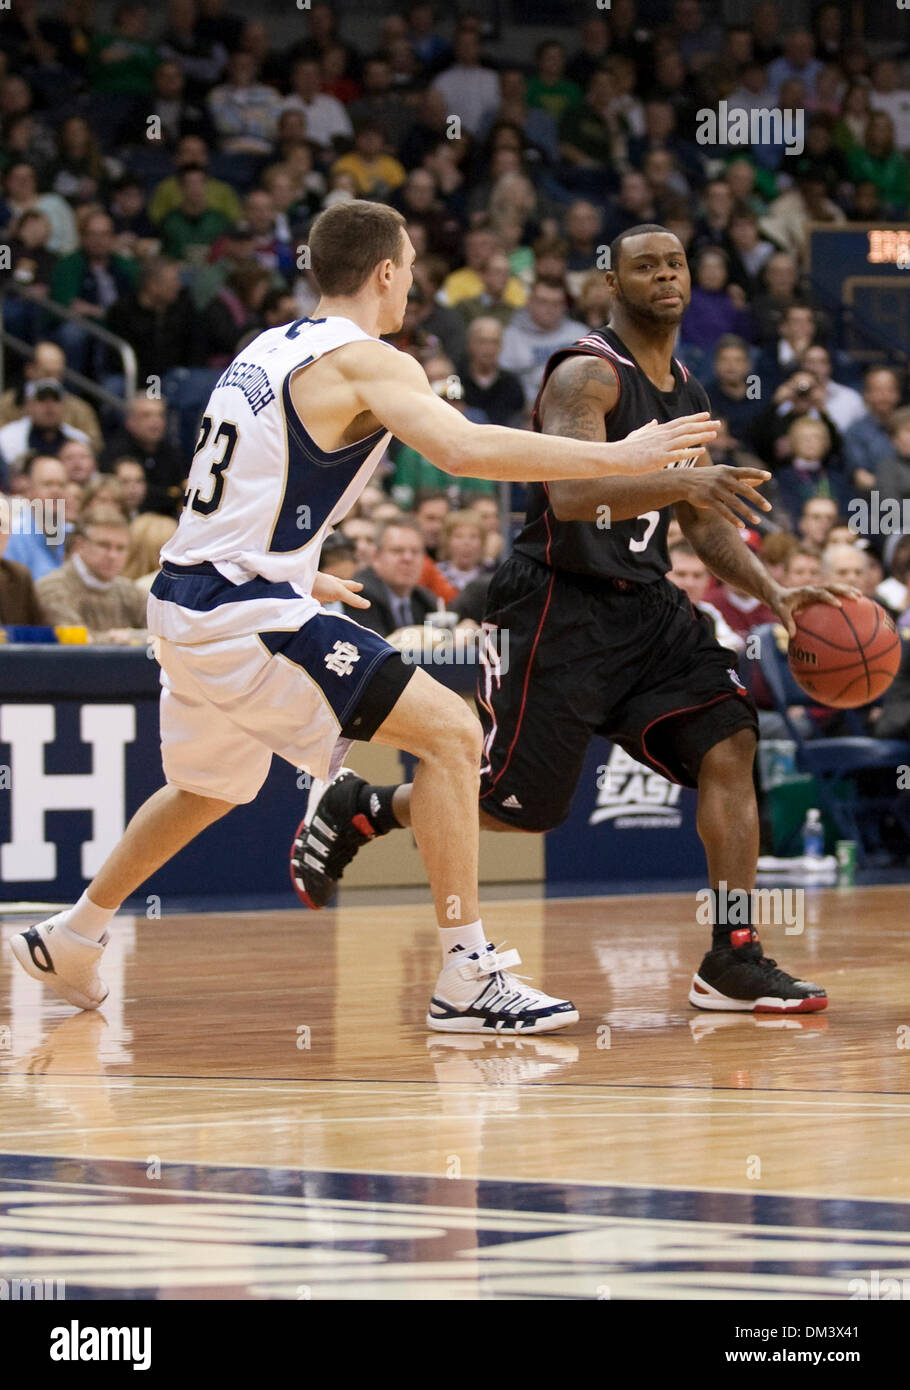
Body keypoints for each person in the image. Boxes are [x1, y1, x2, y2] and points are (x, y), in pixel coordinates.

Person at [8, 199, 719, 1033]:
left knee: (205, 788)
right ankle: (466, 973)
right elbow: (462, 450)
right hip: (242, 612)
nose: (414, 282)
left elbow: (246, 489)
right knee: (453, 733)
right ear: (386, 272)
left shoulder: (266, 347)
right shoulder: (367, 360)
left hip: (190, 600)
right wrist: (617, 455)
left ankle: (74, 933)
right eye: (412, 267)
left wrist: (300, 573)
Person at [295, 222, 859, 1016]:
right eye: (645, 267)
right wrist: (680, 484)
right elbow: (571, 496)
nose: (665, 276)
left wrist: (775, 593)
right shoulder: (586, 377)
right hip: (557, 605)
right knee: (517, 808)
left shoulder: (687, 391)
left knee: (732, 739)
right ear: (613, 286)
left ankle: (733, 955)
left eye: (675, 263)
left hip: (649, 609)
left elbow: (703, 524)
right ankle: (366, 805)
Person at [35, 503, 148, 642]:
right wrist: (130, 639)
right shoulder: (52, 588)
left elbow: (167, 636)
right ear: (80, 545)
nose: (113, 555)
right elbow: (77, 643)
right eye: (103, 545)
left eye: (120, 548)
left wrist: (131, 636)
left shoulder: (130, 591)